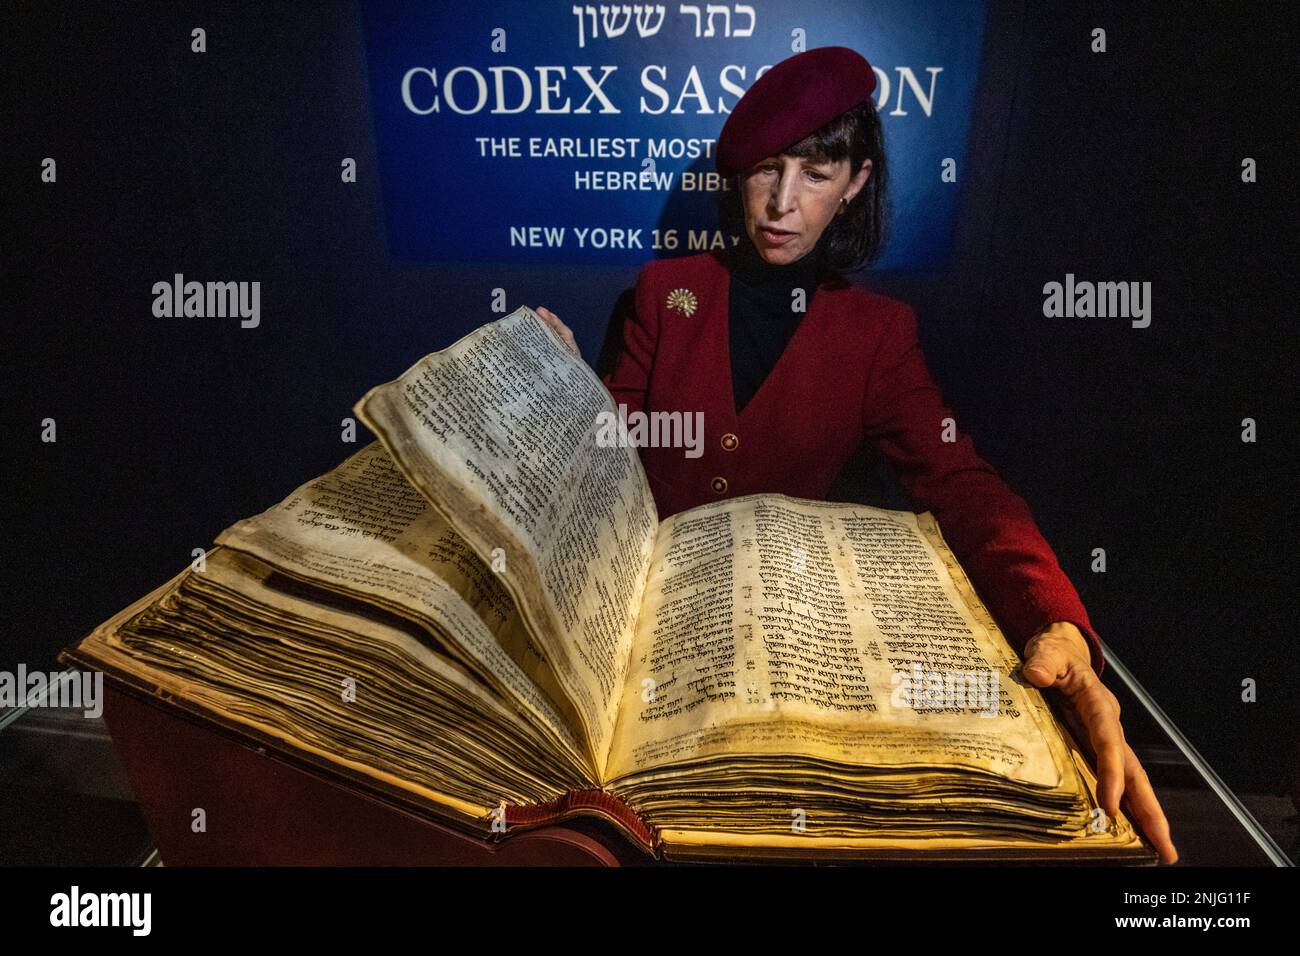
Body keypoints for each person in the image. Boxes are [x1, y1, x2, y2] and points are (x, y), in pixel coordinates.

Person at [536, 46, 1176, 863]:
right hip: (636, 650)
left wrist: (1058, 623)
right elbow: (609, 459)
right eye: (766, 169)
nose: (781, 201)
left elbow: (963, 487)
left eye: (815, 171)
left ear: (856, 184)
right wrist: (559, 387)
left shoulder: (876, 337)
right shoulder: (667, 294)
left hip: (770, 665)